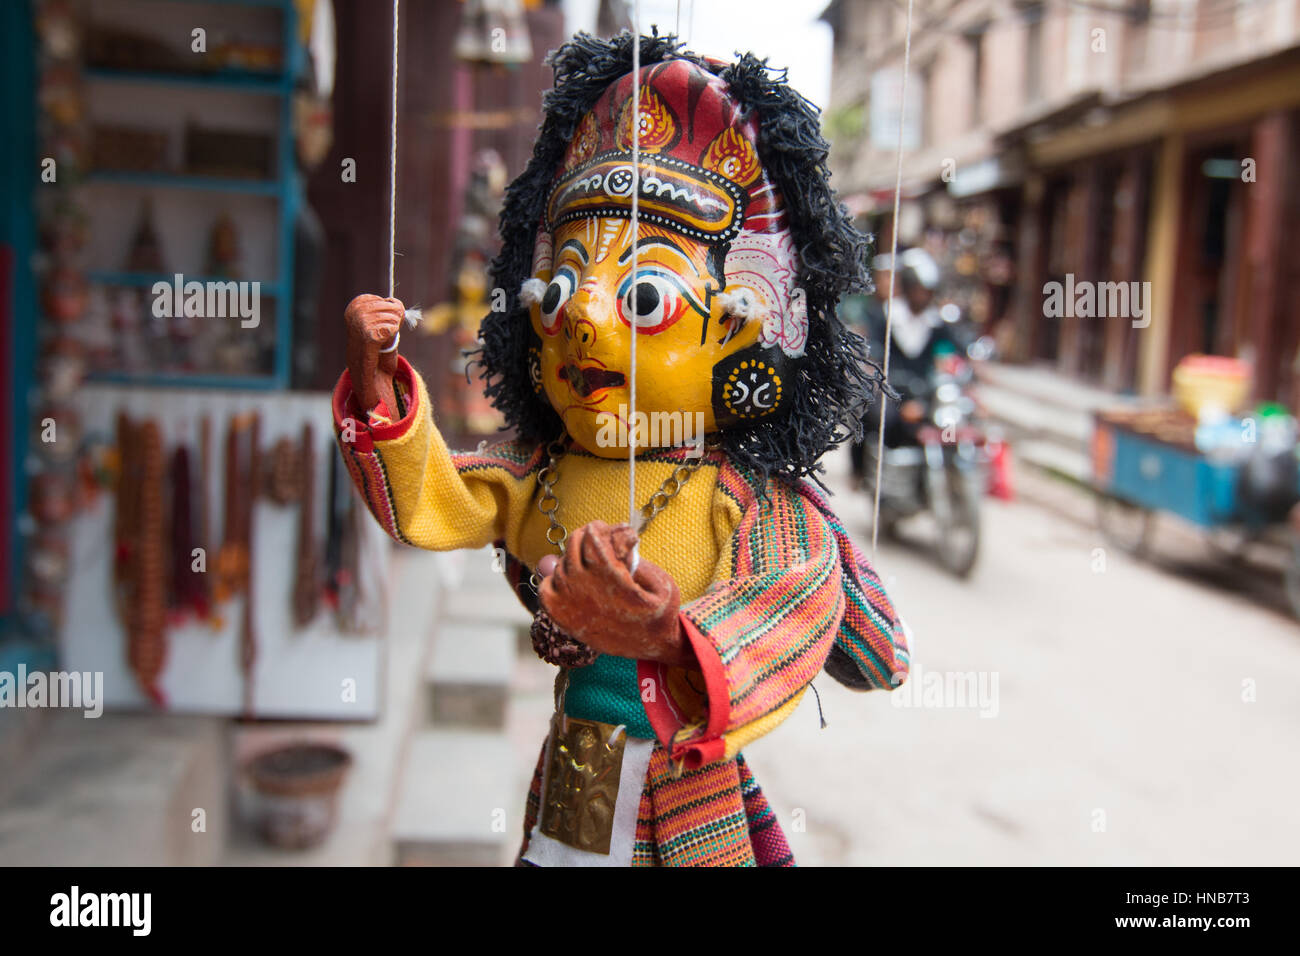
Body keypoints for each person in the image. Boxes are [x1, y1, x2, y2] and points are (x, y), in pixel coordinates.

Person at [333, 35, 909, 867]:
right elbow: (433, 498)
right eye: (561, 287)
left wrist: (672, 641)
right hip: (574, 782)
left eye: (644, 295)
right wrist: (375, 383)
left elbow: (797, 600)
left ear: (748, 325)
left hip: (693, 794)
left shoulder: (745, 500)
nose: (580, 317)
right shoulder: (543, 478)